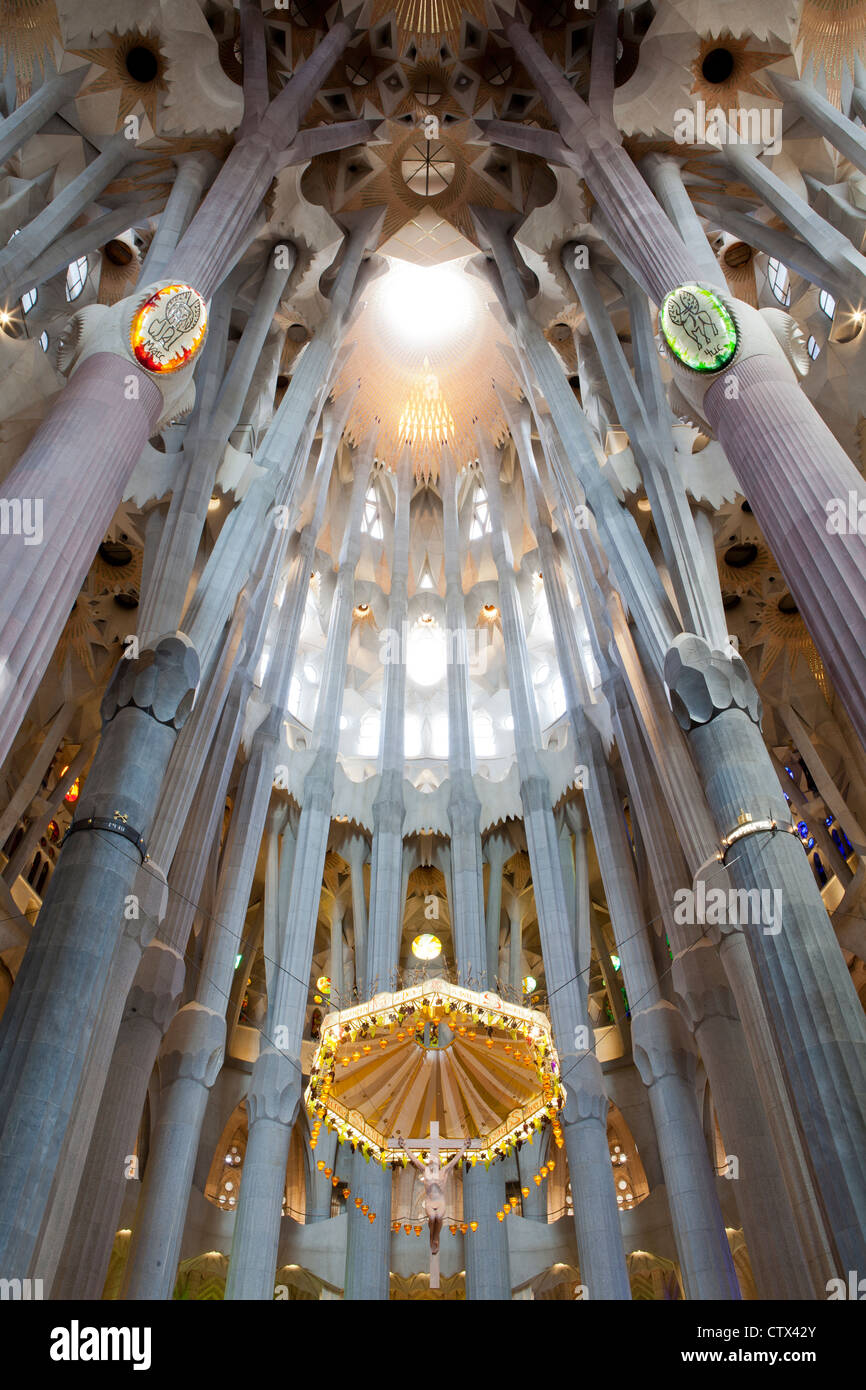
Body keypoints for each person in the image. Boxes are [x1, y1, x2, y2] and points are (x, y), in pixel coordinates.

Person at [398, 1136, 468, 1255]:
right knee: (432, 1219)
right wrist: (404, 1146)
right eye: (431, 1161)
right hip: (430, 1202)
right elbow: (414, 1159)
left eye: (436, 1161)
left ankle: (436, 1239)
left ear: (439, 1163)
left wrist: (465, 1147)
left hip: (440, 1202)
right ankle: (432, 1239)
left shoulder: (444, 1171)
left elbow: (455, 1160)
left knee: (438, 1219)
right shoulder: (425, 1170)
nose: (433, 1163)